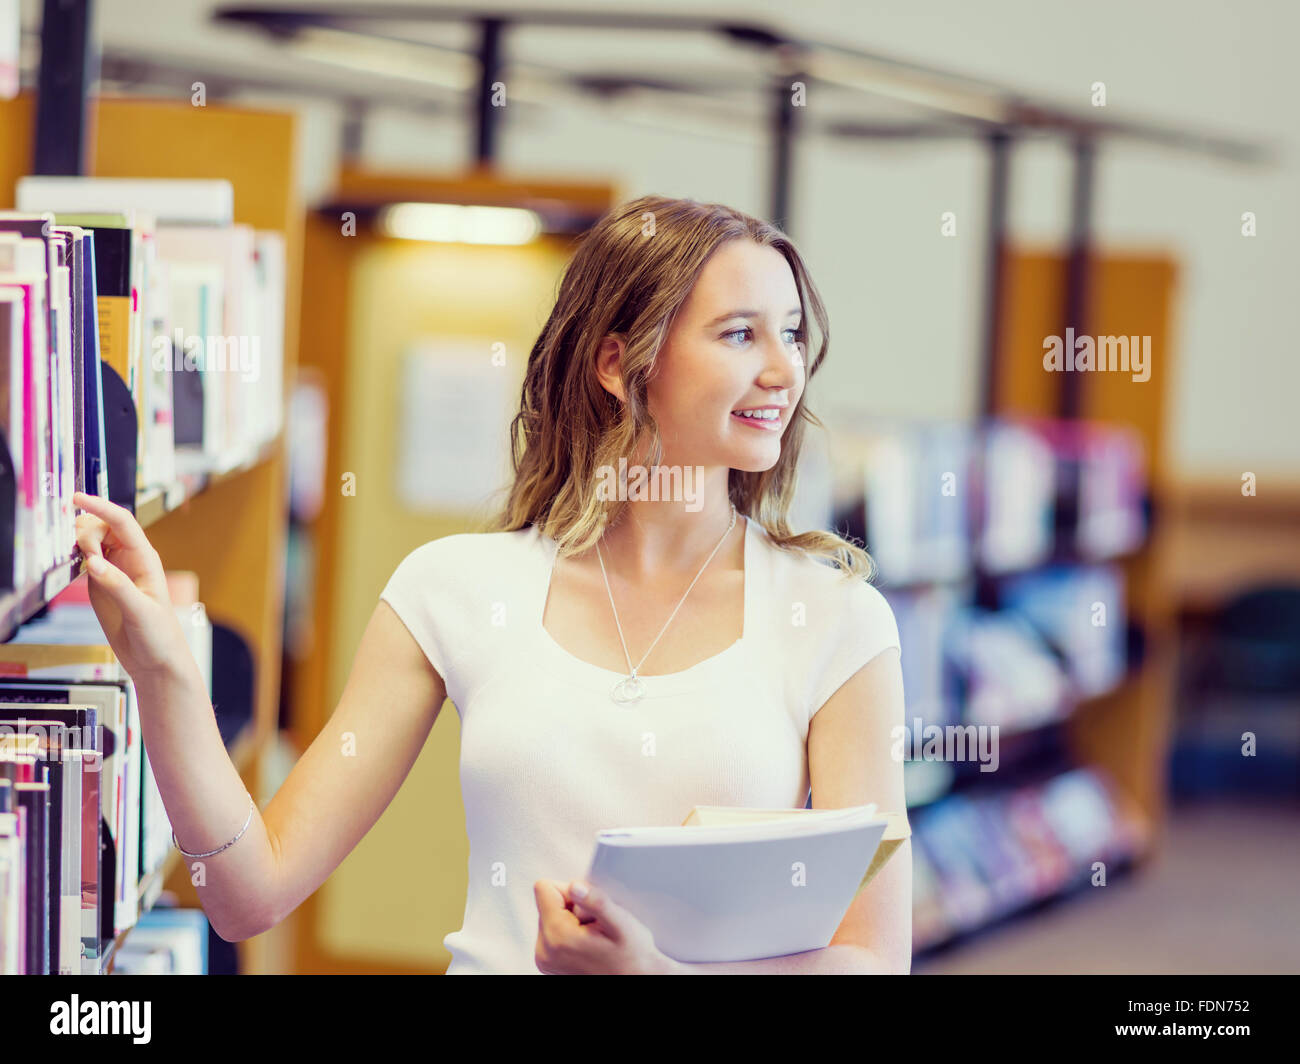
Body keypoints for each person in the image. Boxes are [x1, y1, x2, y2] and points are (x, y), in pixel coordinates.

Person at [72, 193, 910, 975]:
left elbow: (876, 959)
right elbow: (250, 894)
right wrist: (163, 669)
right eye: (739, 335)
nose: (783, 372)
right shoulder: (455, 589)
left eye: (792, 334)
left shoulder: (836, 617)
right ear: (619, 365)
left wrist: (650, 973)